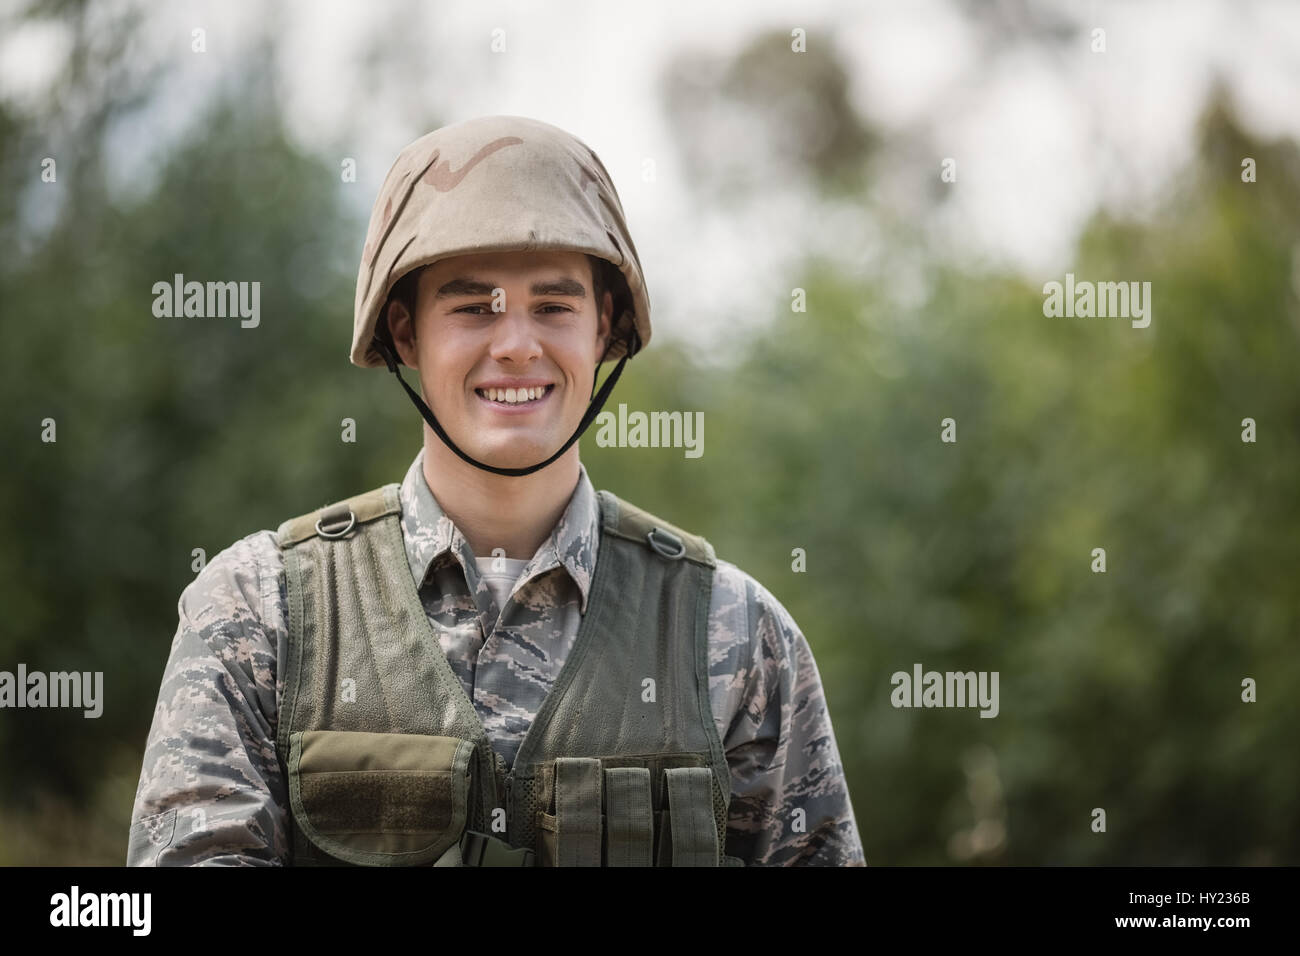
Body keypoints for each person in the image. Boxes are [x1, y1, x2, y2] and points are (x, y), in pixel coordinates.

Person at [126, 114, 865, 866]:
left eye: (554, 306)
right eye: (473, 307)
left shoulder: (735, 636)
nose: (516, 345)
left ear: (603, 328)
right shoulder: (264, 612)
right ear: (405, 333)